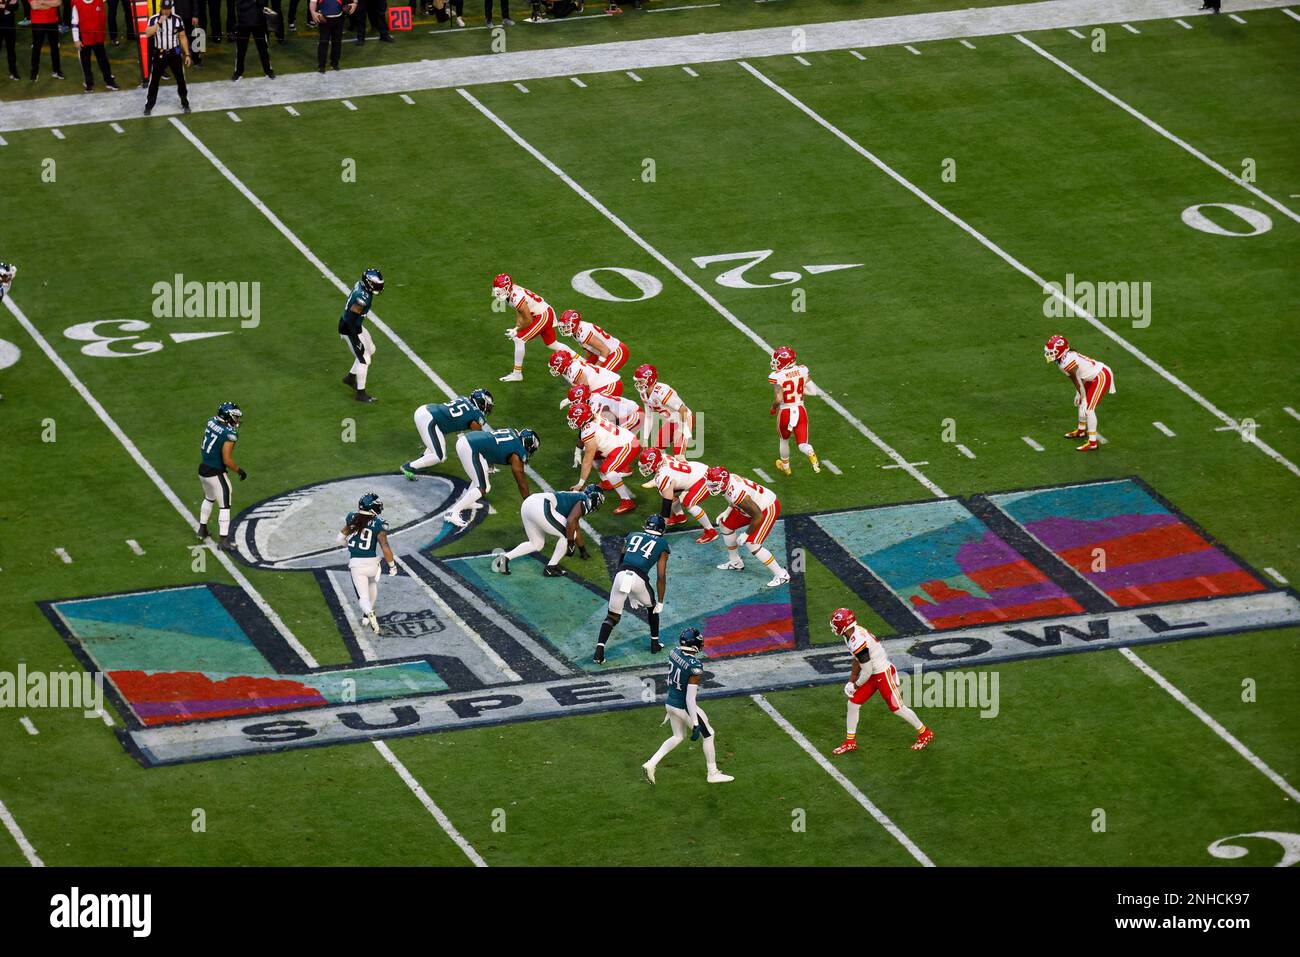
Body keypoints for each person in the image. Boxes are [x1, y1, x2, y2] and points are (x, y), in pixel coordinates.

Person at [829, 608, 933, 754]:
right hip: (872, 673)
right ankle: (850, 741)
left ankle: (925, 733)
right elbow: (857, 659)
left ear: (843, 625)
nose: (833, 626)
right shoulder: (851, 634)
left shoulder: (857, 639)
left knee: (897, 708)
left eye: (835, 623)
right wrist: (851, 680)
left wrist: (856, 685)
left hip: (881, 673)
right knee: (853, 703)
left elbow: (867, 670)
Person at [642, 627, 734, 784]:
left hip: (670, 702)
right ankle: (712, 773)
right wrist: (696, 723)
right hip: (683, 706)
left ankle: (651, 763)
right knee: (709, 734)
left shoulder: (674, 652)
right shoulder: (695, 667)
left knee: (678, 736)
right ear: (695, 644)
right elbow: (690, 699)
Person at [595, 513, 669, 664]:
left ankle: (598, 652)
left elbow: (622, 558)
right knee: (652, 607)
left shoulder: (632, 535)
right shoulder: (662, 544)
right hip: (639, 578)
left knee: (612, 617)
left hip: (621, 574)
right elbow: (661, 575)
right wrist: (660, 601)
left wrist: (627, 590)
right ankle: (654, 644)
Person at [704, 466, 789, 588]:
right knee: (725, 526)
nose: (711, 486)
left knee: (752, 543)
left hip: (767, 508)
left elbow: (758, 515)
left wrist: (747, 534)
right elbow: (733, 498)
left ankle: (781, 575)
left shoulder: (737, 493)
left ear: (723, 482)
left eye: (714, 484)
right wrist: (727, 511)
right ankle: (735, 561)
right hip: (752, 507)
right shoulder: (730, 480)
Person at [494, 484, 603, 577]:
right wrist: (570, 543)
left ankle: (504, 559)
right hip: (540, 506)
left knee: (536, 544)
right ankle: (551, 567)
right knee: (569, 535)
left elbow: (574, 524)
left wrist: (582, 550)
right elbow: (570, 522)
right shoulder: (585, 501)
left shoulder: (578, 496)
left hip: (528, 504)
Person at [443, 426, 539, 528]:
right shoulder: (518, 451)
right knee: (483, 487)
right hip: (471, 448)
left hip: (470, 440)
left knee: (480, 478)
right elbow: (519, 473)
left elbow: (495, 445)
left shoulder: (512, 433)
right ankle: (453, 512)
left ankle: (468, 502)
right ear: (528, 445)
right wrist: (528, 499)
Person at [338, 493, 398, 635]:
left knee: (363, 598)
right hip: (372, 564)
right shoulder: (379, 523)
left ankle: (369, 613)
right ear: (372, 508)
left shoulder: (352, 517)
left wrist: (348, 545)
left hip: (356, 565)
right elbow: (385, 548)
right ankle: (366, 616)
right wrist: (392, 566)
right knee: (372, 585)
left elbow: (339, 538)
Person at [493, 273, 569, 382]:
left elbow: (528, 320)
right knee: (552, 344)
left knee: (519, 339)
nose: (498, 293)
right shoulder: (511, 293)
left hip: (543, 315)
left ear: (508, 287)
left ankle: (517, 373)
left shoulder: (516, 296)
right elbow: (519, 310)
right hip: (542, 313)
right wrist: (517, 326)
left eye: (501, 290)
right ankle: (580, 359)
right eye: (497, 290)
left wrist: (516, 330)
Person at [1044, 334, 1114, 453]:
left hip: (1100, 376)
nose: (1049, 354)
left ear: (1060, 351)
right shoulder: (1064, 359)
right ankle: (1081, 431)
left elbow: (1078, 381)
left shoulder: (1067, 363)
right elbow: (1079, 378)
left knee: (1088, 409)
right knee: (1082, 402)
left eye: (1052, 351)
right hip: (1089, 377)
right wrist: (1079, 395)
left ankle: (1092, 443)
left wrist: (1082, 396)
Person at [401, 388, 493, 479]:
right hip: (429, 420)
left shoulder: (463, 398)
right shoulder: (477, 416)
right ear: (480, 403)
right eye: (487, 405)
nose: (488, 408)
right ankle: (408, 467)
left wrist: (461, 439)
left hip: (426, 410)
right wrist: (489, 461)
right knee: (439, 456)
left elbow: (458, 421)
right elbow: (479, 438)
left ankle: (425, 457)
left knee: (439, 439)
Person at [567, 400, 639, 515]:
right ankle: (607, 482)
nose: (572, 422)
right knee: (596, 456)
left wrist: (580, 484)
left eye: (574, 419)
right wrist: (579, 449)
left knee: (608, 469)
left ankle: (627, 501)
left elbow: (587, 461)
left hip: (627, 445)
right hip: (619, 442)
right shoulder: (593, 416)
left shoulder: (589, 431)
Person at [197, 401, 247, 550]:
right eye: (234, 416)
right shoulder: (229, 434)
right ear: (227, 416)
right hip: (216, 472)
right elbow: (227, 459)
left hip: (203, 468)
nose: (236, 420)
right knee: (225, 505)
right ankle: (224, 540)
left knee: (209, 497)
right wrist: (239, 470)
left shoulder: (212, 421)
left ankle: (202, 530)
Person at [637, 447, 716, 541]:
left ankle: (711, 531)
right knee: (665, 491)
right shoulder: (663, 457)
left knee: (689, 504)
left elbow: (666, 504)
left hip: (703, 477)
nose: (645, 467)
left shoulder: (663, 475)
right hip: (695, 470)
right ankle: (679, 516)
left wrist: (660, 526)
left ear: (656, 463)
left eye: (647, 465)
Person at [769, 345, 819, 475]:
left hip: (786, 412)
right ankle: (809, 451)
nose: (775, 364)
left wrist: (773, 408)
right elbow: (813, 392)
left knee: (784, 440)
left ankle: (786, 467)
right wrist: (799, 392)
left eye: (778, 362)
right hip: (800, 410)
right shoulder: (802, 370)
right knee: (802, 443)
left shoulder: (777, 376)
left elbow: (779, 399)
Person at [339, 267, 383, 403]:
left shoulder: (362, 287)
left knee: (371, 349)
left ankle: (350, 378)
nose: (378, 287)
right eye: (376, 285)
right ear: (368, 283)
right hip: (349, 328)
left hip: (355, 325)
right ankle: (360, 394)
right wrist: (356, 339)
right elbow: (351, 320)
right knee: (364, 359)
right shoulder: (361, 298)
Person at [142, 0, 191, 115]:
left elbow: (182, 37)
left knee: (181, 80)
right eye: (164, 8)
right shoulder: (153, 19)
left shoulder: (177, 19)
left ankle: (185, 103)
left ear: (171, 8)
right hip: (159, 55)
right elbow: (147, 33)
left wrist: (187, 54)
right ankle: (149, 105)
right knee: (153, 82)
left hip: (174, 54)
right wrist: (158, 23)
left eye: (168, 8)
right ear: (161, 7)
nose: (166, 11)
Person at [556, 309, 628, 371]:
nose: (565, 328)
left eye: (567, 325)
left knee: (599, 379)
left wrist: (595, 368)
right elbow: (590, 351)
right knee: (584, 371)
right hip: (600, 352)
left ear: (575, 324)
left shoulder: (583, 332)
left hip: (615, 352)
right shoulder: (576, 332)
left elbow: (605, 350)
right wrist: (583, 364)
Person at [71, 0, 116, 90]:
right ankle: (89, 83)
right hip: (84, 38)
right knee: (85, 62)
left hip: (98, 37)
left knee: (103, 60)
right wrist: (76, 40)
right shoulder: (77, 4)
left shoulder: (99, 1)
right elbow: (74, 23)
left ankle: (109, 81)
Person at [230, 0, 274, 80]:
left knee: (263, 49)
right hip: (243, 24)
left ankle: (268, 71)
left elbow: (263, 3)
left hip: (259, 23)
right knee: (241, 50)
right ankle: (238, 72)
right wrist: (253, 1)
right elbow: (240, 7)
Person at [310, 0, 353, 72]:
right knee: (323, 42)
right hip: (324, 18)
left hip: (339, 18)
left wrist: (353, 4)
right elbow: (313, 2)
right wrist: (313, 13)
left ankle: (335, 63)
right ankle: (321, 65)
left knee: (337, 42)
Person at [29, 0, 63, 80]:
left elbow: (58, 3)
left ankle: (57, 70)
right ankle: (34, 72)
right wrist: (51, 4)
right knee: (36, 48)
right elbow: (34, 6)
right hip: (38, 22)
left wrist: (42, 2)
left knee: (55, 47)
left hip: (52, 21)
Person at [2, 0, 21, 80]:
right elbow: (10, 6)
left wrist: (3, 6)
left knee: (11, 50)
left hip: (9, 25)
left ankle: (13, 72)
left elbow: (15, 7)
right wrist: (7, 5)